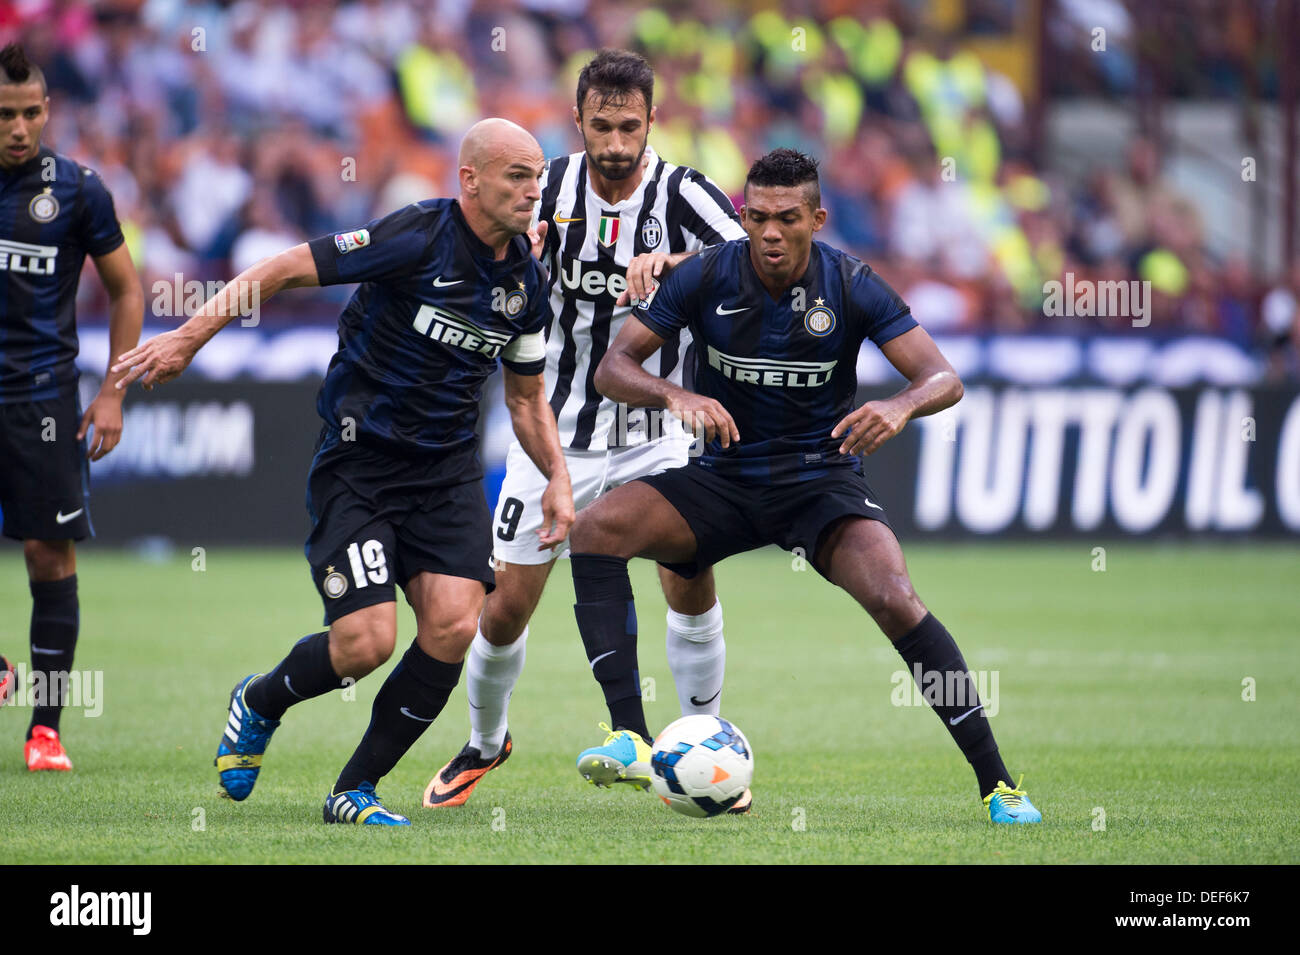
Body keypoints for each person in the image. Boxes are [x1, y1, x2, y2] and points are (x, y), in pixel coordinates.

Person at [112, 118, 574, 826]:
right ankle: (260, 700)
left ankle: (353, 789)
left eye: (538, 176)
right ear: (470, 179)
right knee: (366, 644)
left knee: (454, 625)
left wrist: (560, 480)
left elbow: (525, 397)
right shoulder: (416, 235)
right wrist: (185, 337)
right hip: (360, 462)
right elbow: (283, 268)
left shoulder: (527, 285)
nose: (532, 189)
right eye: (517, 174)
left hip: (445, 475)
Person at [563, 148, 1041, 823]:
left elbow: (943, 377)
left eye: (787, 218)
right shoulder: (704, 274)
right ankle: (631, 736)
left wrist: (899, 406)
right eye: (756, 217)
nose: (770, 234)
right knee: (595, 530)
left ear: (817, 218)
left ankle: (998, 785)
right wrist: (673, 395)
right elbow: (613, 368)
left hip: (820, 480)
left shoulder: (851, 283)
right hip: (723, 476)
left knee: (896, 597)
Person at [422, 50, 749, 809]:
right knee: (503, 606)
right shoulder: (549, 189)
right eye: (600, 126)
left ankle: (705, 748)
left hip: (655, 427)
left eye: (628, 126)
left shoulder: (684, 194)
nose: (613, 142)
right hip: (552, 429)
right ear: (578, 122)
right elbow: (481, 254)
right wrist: (518, 258)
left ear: (651, 122)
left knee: (689, 579)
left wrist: (674, 263)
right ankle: (484, 742)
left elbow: (746, 264)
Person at [0, 44, 143, 771]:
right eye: (4, 115)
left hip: (41, 398)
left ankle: (45, 729)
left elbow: (126, 291)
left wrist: (114, 388)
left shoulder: (80, 190)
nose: (19, 128)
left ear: (48, 109)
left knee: (46, 553)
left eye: (31, 113)